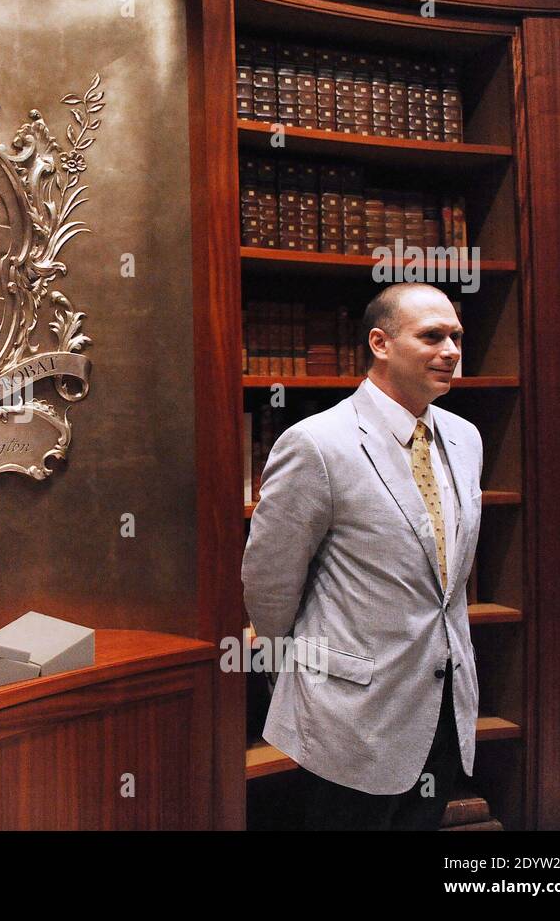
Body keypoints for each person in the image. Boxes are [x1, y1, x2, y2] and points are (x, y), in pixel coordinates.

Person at [242, 282, 482, 830]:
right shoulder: (316, 443)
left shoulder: (467, 438)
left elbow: (449, 578)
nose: (451, 351)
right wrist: (298, 675)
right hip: (349, 715)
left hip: (446, 708)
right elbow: (269, 581)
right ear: (380, 342)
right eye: (432, 336)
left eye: (457, 337)